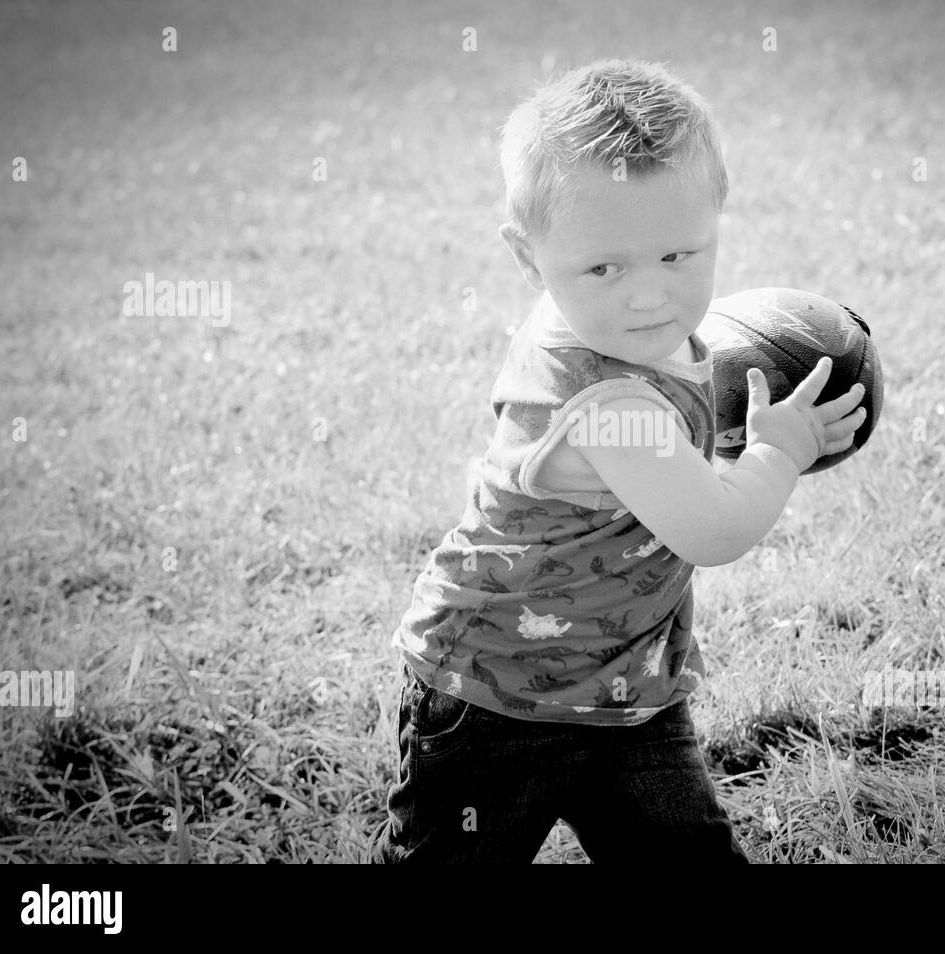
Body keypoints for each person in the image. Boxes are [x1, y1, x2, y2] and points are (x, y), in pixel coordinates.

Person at [369, 58, 865, 863]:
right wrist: (778, 448)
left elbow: (657, 345)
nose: (649, 297)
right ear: (529, 260)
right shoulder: (614, 408)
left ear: (718, 218)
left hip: (626, 695)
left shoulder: (605, 321)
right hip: (495, 700)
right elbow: (713, 529)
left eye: (679, 256)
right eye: (605, 268)